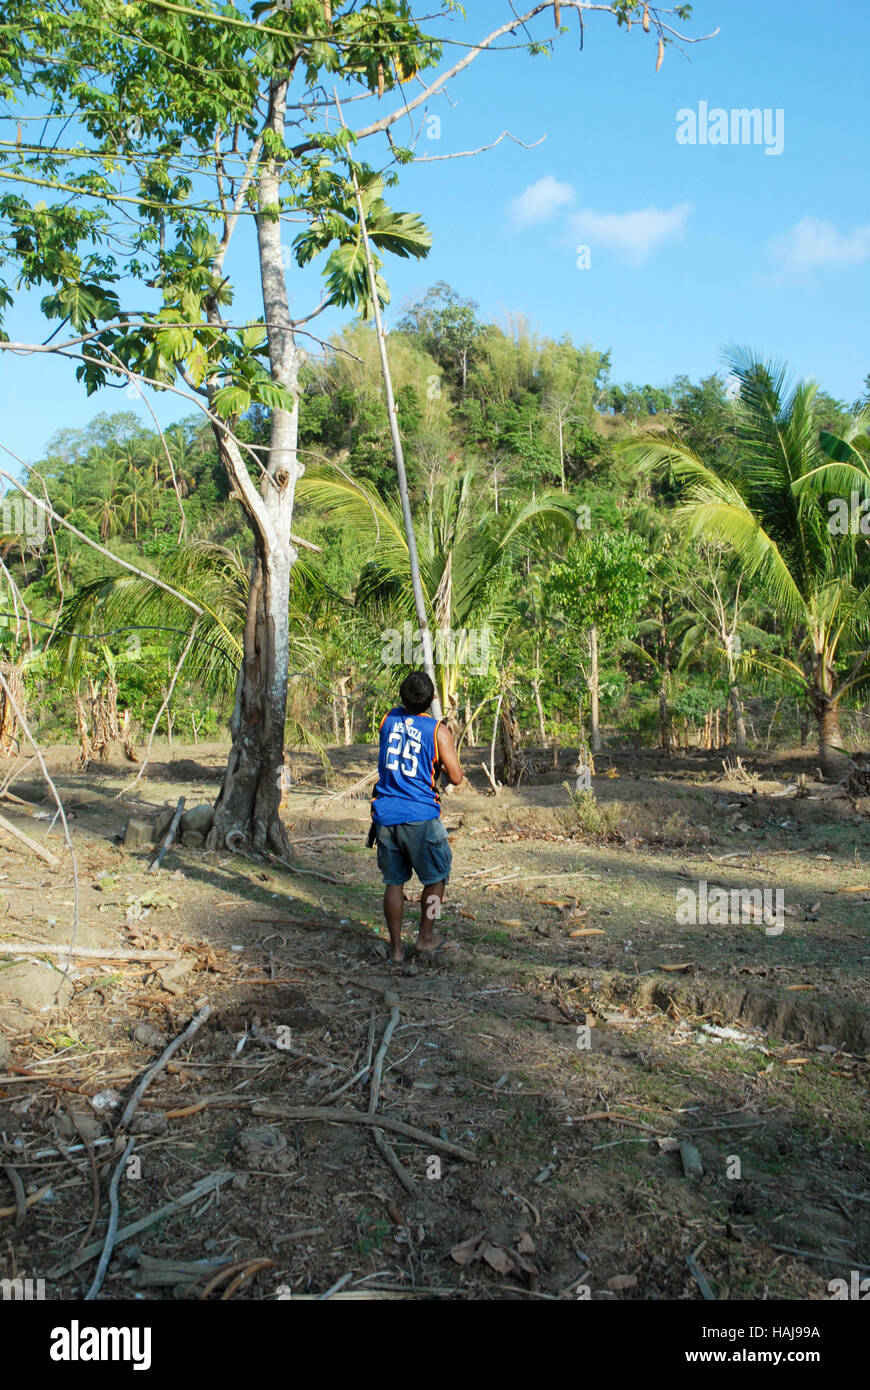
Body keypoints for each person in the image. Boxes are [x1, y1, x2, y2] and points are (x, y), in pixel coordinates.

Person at [370, 671, 463, 963]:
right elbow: (457, 777)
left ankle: (396, 949)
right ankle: (425, 937)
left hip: (386, 814)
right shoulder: (437, 731)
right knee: (436, 879)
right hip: (420, 816)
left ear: (401, 696)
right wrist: (444, 742)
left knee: (393, 882)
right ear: (432, 698)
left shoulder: (387, 721)